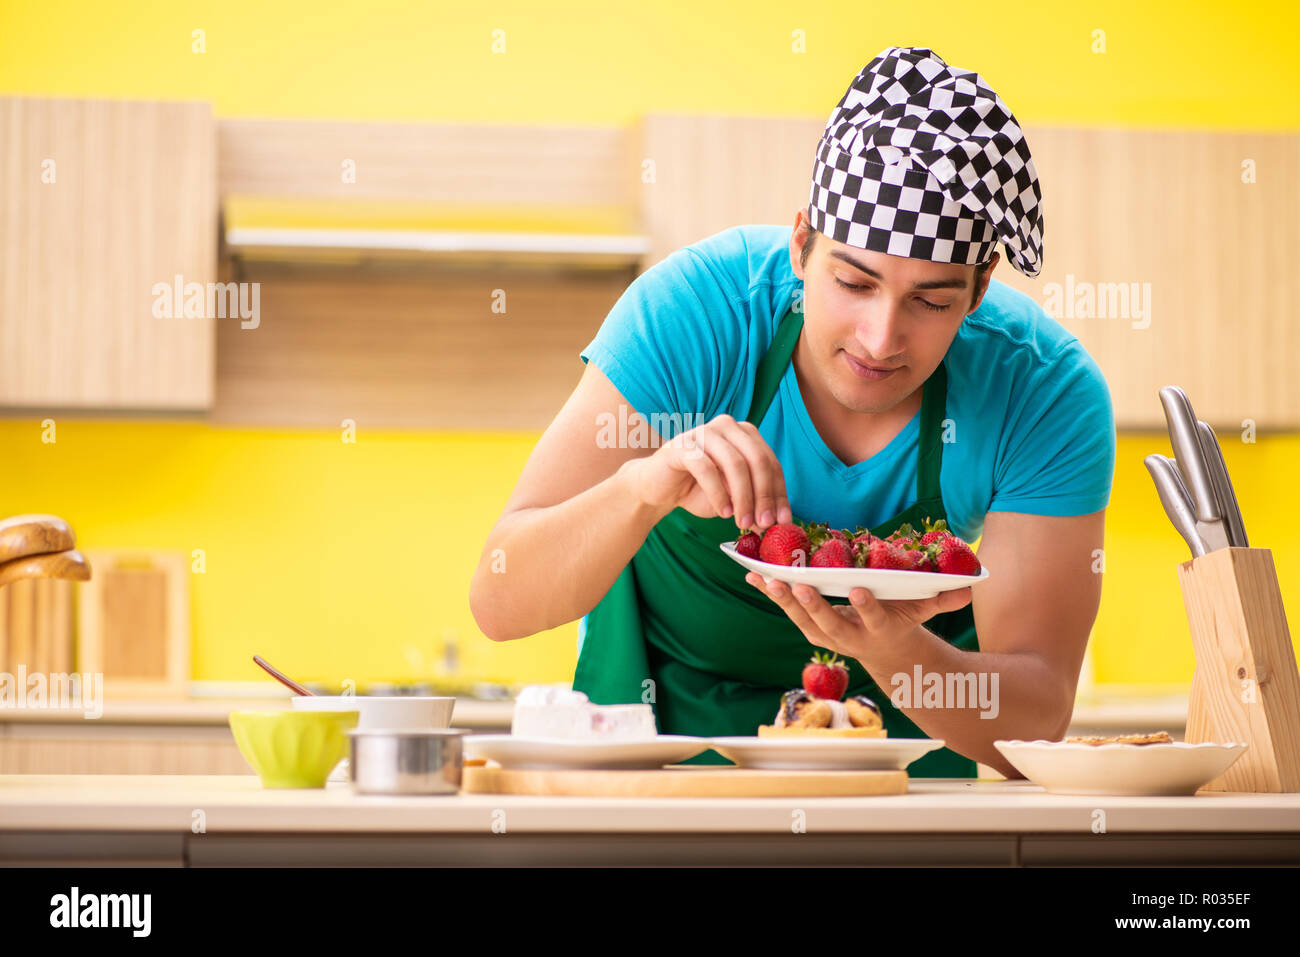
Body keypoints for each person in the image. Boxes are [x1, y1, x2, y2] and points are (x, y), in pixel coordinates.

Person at [469, 46, 1115, 778]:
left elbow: (1036, 716)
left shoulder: (1041, 388)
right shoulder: (696, 315)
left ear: (978, 288)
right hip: (667, 758)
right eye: (853, 281)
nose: (881, 339)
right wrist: (643, 486)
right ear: (802, 244)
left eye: (931, 301)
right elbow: (499, 598)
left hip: (901, 768)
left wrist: (891, 645)